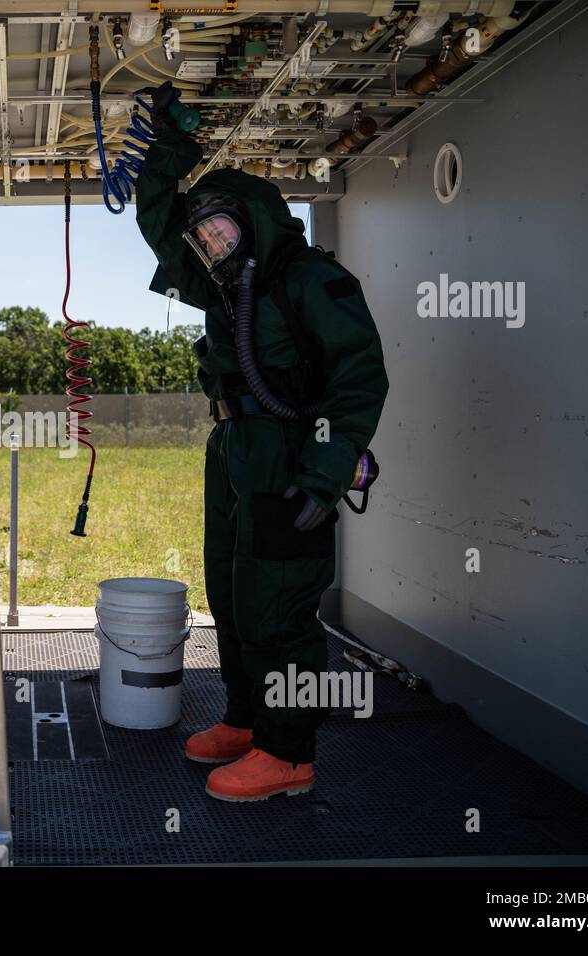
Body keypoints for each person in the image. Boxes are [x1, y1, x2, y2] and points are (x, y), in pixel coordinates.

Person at [135, 82, 389, 802]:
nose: (210, 246)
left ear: (253, 220)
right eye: (204, 239)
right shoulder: (220, 286)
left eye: (220, 231)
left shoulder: (311, 279)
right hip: (235, 450)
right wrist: (170, 147)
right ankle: (248, 719)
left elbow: (360, 377)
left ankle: (289, 753)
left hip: (293, 457)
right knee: (235, 594)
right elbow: (158, 219)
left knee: (280, 607)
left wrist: (327, 473)